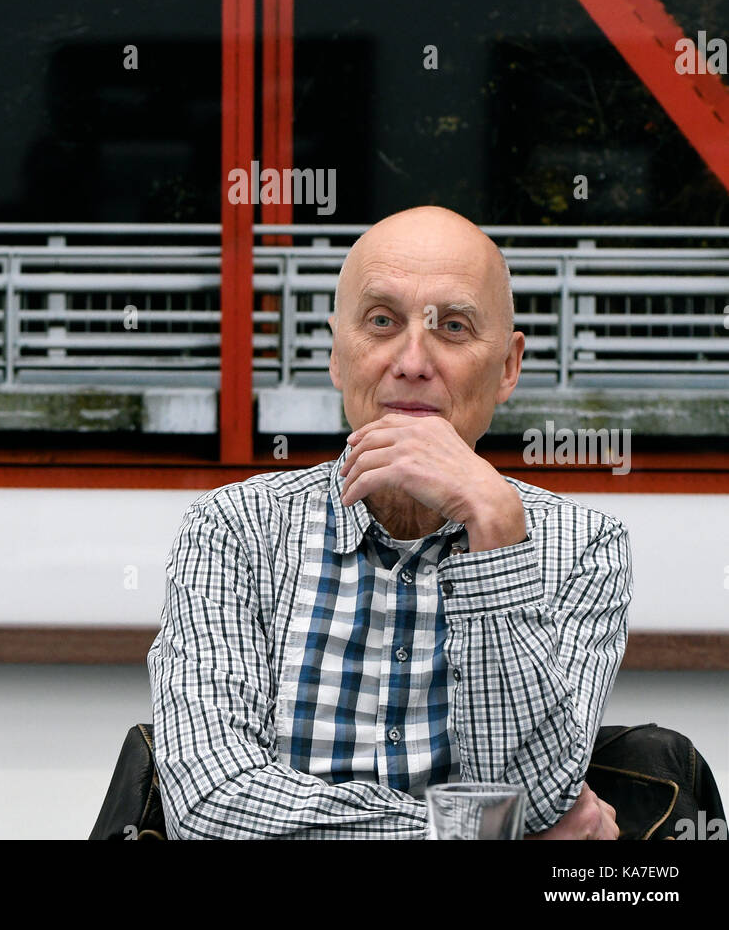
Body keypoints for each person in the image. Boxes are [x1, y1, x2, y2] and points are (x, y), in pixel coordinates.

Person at [147, 206, 631, 839]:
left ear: (508, 367)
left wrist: (494, 532)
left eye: (452, 327)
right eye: (382, 322)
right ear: (337, 354)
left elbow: (535, 800)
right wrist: (465, 834)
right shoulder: (233, 530)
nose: (411, 361)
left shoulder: (582, 546)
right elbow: (213, 807)